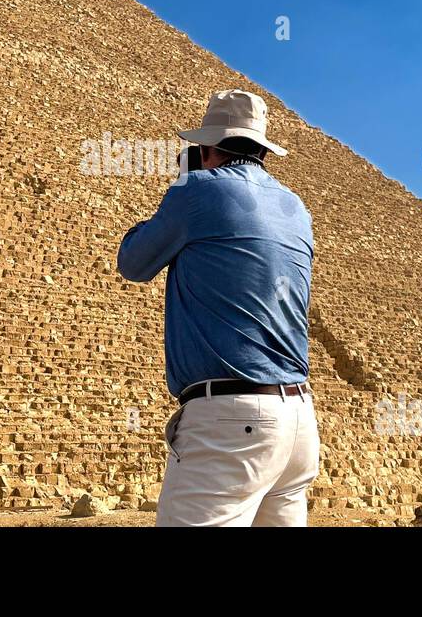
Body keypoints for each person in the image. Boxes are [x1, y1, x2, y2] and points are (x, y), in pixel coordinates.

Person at [117, 89, 318, 526]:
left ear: (208, 147)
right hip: (298, 422)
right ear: (262, 151)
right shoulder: (297, 208)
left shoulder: (197, 191)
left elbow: (132, 263)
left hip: (233, 422)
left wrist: (181, 189)